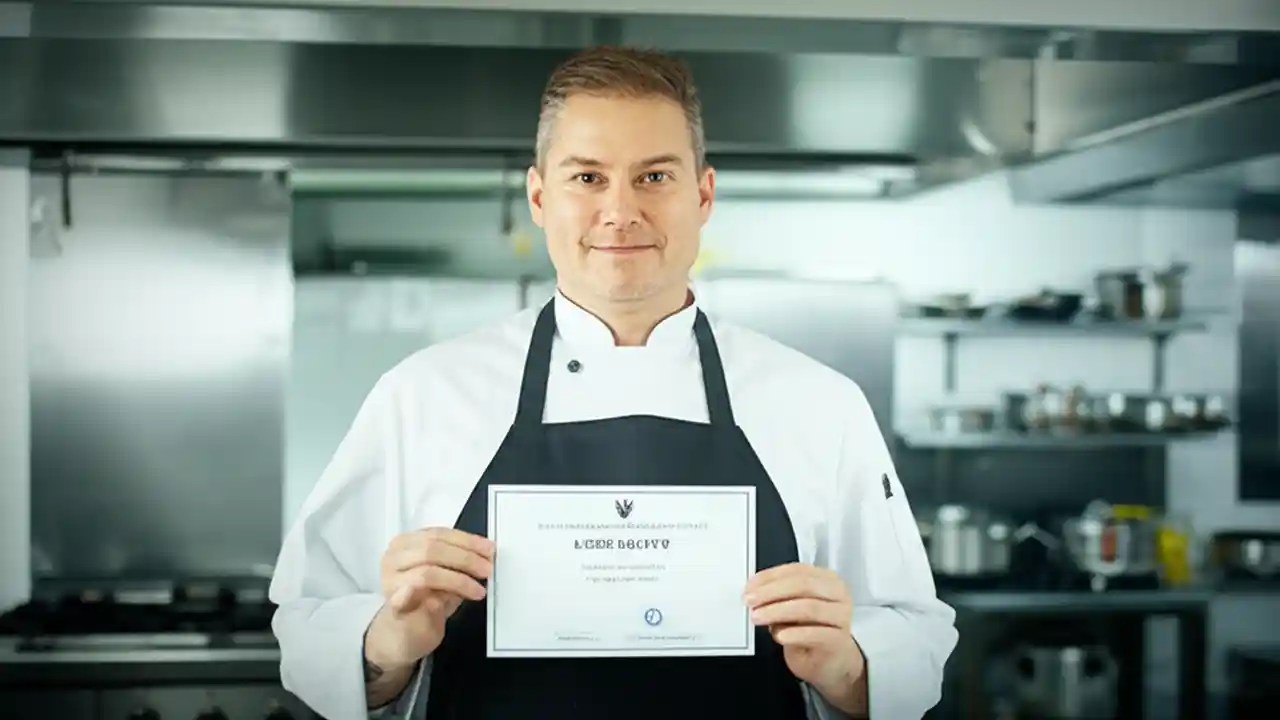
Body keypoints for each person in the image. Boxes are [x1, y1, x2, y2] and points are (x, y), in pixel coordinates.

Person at [269, 45, 957, 719]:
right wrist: (388, 644)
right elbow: (308, 627)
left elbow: (915, 639)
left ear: (704, 194)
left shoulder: (819, 404)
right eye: (587, 178)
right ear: (539, 196)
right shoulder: (421, 396)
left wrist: (848, 667)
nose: (620, 210)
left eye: (654, 177)